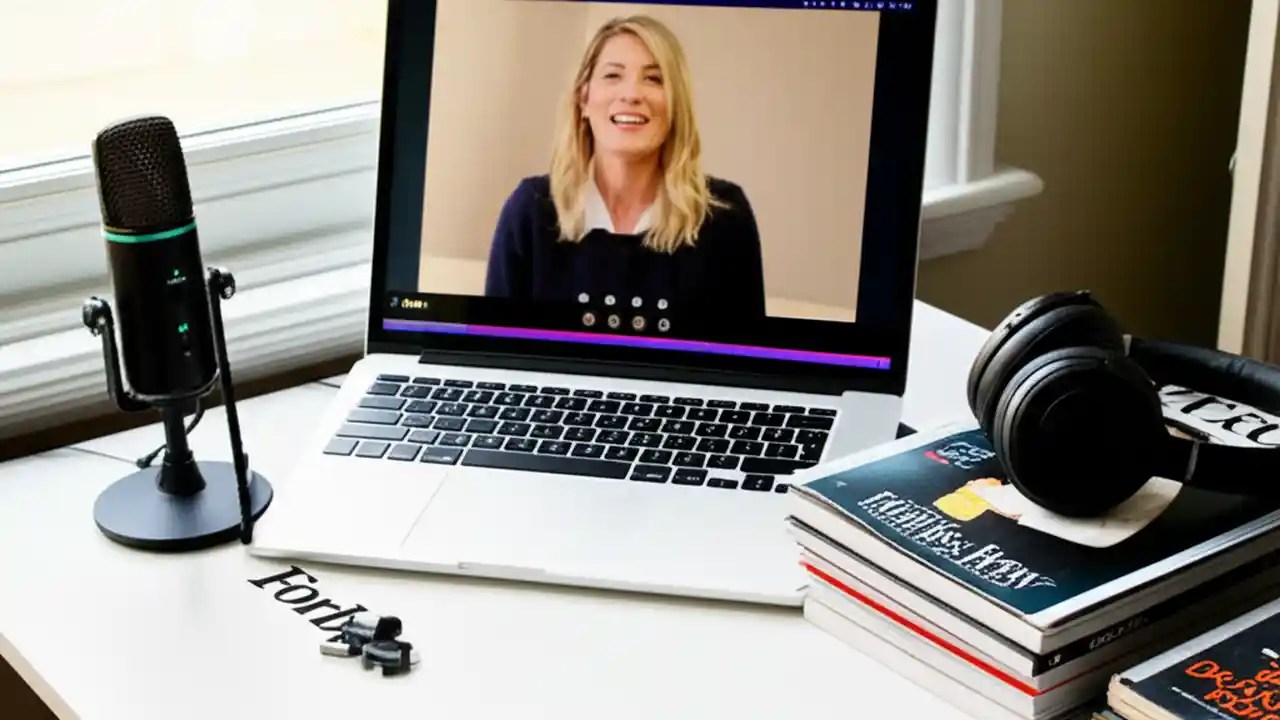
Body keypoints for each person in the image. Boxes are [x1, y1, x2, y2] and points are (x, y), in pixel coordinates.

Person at [483, 15, 767, 330]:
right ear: (584, 99)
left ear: (676, 105)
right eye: (613, 75)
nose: (632, 94)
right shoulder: (531, 209)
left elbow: (747, 366)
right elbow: (495, 351)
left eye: (654, 79)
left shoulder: (726, 217)